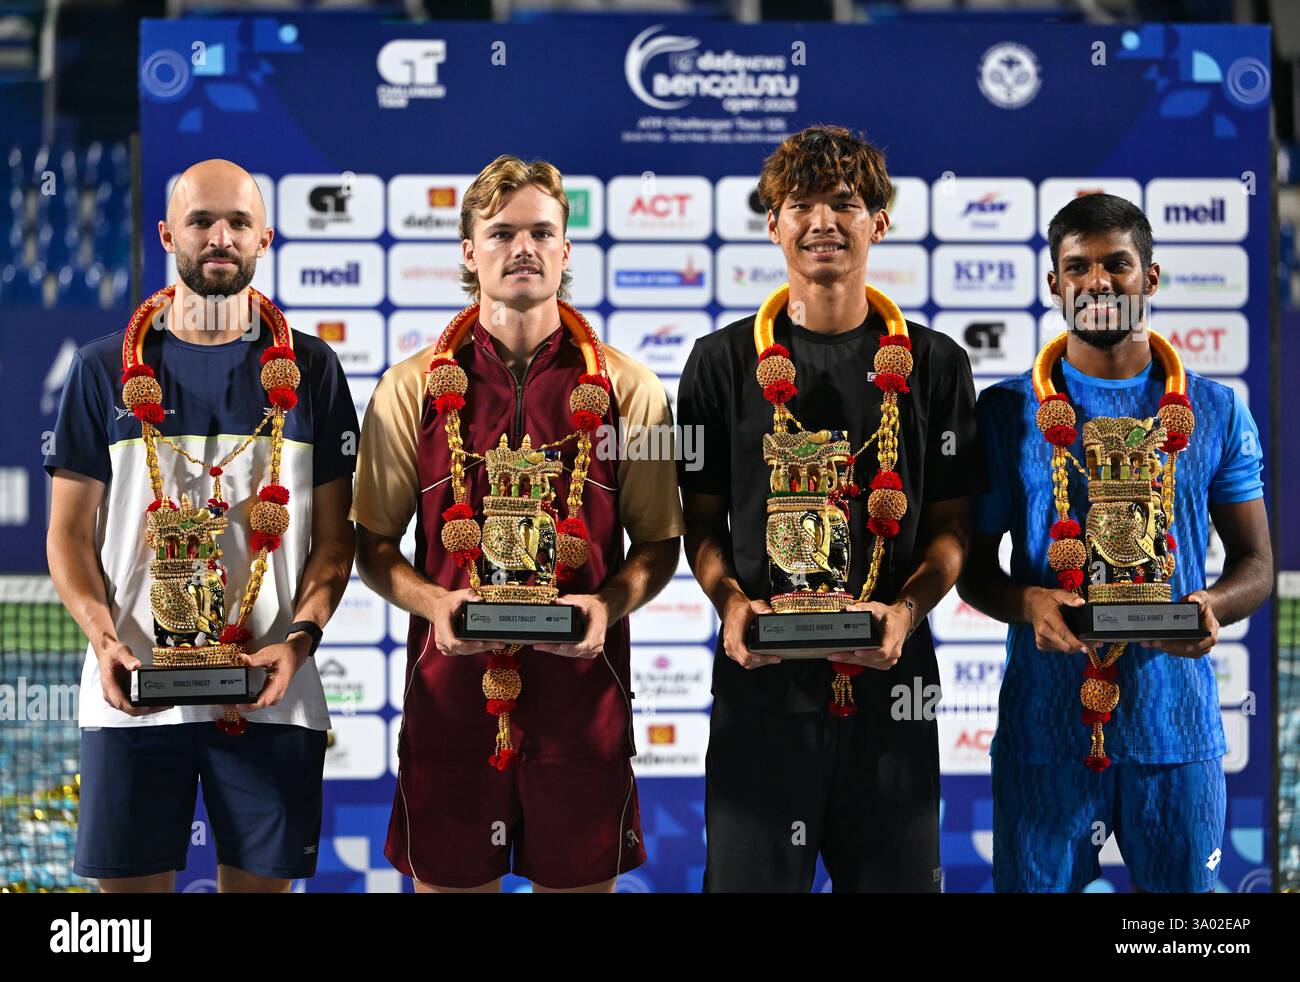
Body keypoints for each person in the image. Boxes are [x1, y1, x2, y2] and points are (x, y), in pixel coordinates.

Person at [352, 155, 683, 893]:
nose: (522, 248)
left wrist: (608, 604)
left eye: (542, 232)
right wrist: (436, 603)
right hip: (450, 699)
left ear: (567, 250)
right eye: (501, 233)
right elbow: (372, 547)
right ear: (469, 251)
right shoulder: (407, 388)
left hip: (583, 701)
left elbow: (660, 543)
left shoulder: (634, 389)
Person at [677, 125, 983, 892]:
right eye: (800, 203)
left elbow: (951, 531)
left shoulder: (937, 363)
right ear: (773, 223)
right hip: (760, 690)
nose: (822, 221)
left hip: (894, 689)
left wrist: (905, 612)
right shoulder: (718, 363)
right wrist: (732, 602)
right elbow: (702, 523)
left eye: (845, 203)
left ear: (879, 221)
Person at [44, 158, 359, 893]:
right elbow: (66, 533)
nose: (220, 237)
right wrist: (104, 640)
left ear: (265, 238)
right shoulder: (102, 370)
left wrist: (297, 643)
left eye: (238, 223)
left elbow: (336, 538)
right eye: (201, 221)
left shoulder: (312, 369)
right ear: (167, 234)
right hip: (133, 698)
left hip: (270, 695)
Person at [957, 192, 1272, 892]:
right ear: (1054, 284)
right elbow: (975, 571)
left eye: (1117, 265)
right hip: (1046, 734)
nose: (1098, 282)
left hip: (1176, 733)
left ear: (1150, 278)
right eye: (1078, 267)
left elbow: (1257, 564)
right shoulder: (1008, 412)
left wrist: (1208, 605)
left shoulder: (1214, 410)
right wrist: (1030, 600)